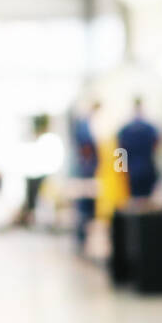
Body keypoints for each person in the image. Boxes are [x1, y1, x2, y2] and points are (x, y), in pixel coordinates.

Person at [117, 97, 160, 199]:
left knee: (133, 201)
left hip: (131, 172)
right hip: (148, 169)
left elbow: (119, 151)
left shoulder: (125, 129)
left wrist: (120, 171)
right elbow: (157, 146)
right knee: (147, 201)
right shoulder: (150, 128)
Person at [70, 101, 99, 250]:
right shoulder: (86, 125)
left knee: (87, 208)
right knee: (85, 207)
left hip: (92, 171)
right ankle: (82, 240)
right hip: (89, 172)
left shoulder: (89, 126)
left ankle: (83, 240)